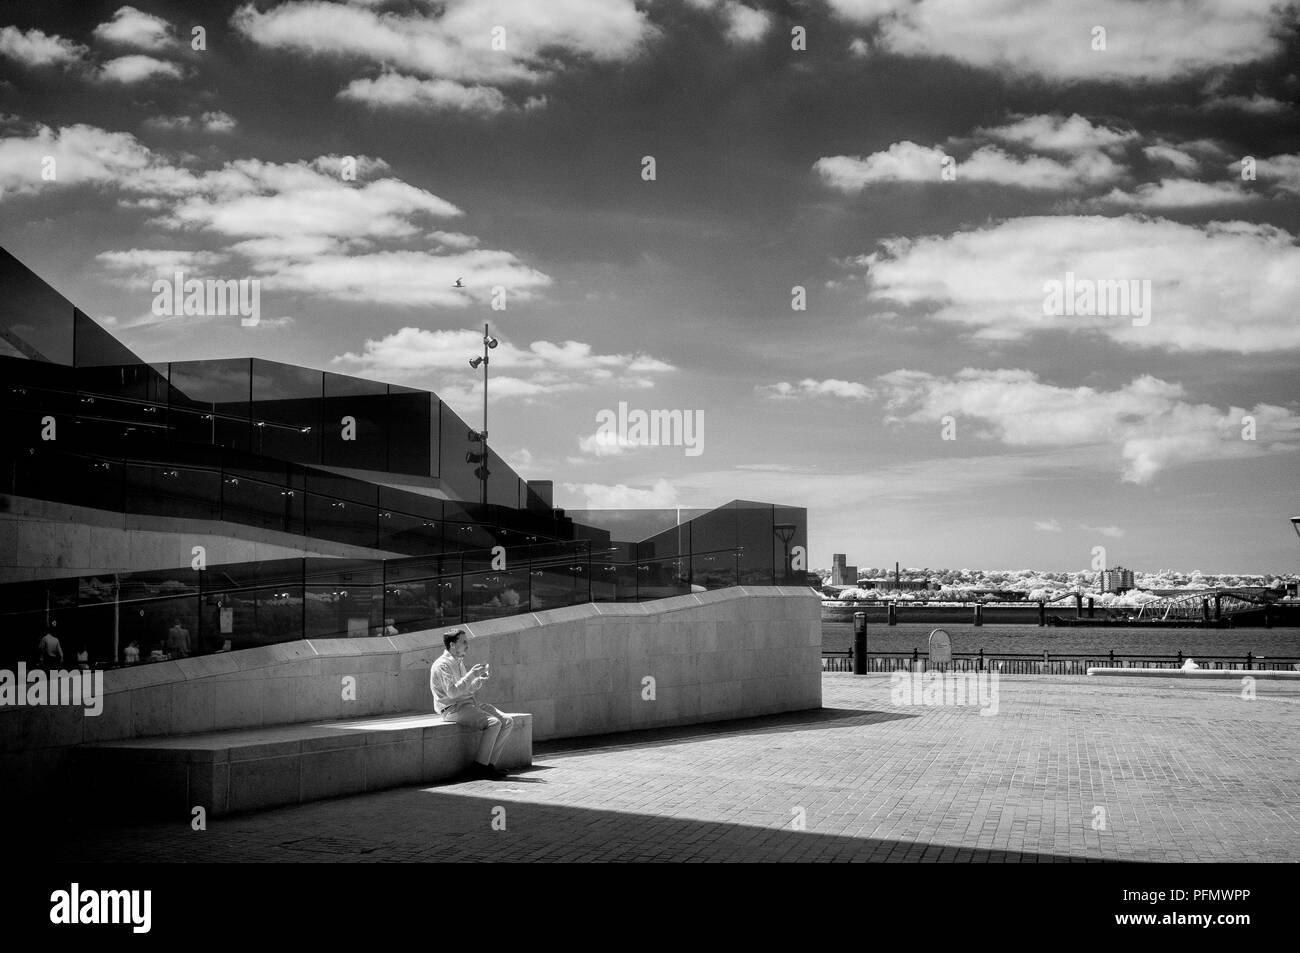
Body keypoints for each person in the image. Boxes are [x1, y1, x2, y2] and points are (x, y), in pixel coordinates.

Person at [429, 629, 516, 780]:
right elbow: (452, 692)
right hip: (452, 709)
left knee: (507, 721)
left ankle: (489, 766)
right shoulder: (442, 665)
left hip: (468, 703)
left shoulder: (458, 662)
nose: (467, 645)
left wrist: (478, 680)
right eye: (463, 642)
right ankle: (479, 767)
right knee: (493, 723)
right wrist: (471, 674)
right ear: (452, 645)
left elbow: (465, 688)